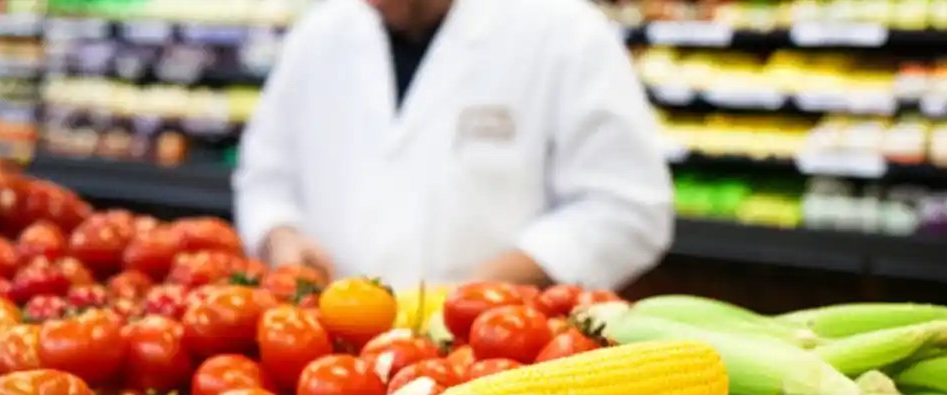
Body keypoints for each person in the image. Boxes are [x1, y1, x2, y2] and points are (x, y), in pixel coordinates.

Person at [233, 0, 674, 290]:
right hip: (331, 357)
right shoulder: (319, 35)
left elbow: (628, 207)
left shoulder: (564, 31)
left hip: (497, 359)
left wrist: (496, 283)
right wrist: (280, 235)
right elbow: (266, 178)